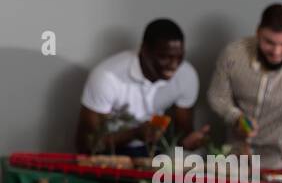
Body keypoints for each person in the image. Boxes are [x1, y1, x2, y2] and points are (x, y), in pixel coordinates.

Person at [207, 3, 282, 171]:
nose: (276, 51)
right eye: (269, 42)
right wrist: (235, 117)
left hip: (281, 162)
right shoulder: (233, 55)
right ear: (258, 32)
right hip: (235, 157)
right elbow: (217, 97)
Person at [76, 19, 208, 156]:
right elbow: (86, 144)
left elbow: (182, 133)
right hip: (110, 153)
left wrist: (188, 142)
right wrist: (135, 133)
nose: (174, 65)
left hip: (155, 151)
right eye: (164, 57)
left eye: (179, 57)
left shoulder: (186, 75)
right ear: (144, 49)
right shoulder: (107, 76)